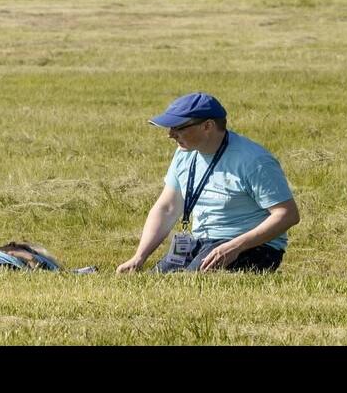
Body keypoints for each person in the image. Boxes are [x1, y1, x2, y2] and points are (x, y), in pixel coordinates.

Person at [116, 92, 300, 274]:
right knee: (156, 281)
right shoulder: (184, 154)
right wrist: (139, 257)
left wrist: (235, 247)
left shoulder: (254, 161)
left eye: (178, 127)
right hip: (199, 242)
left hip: (252, 247)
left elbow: (287, 214)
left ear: (207, 126)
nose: (170, 135)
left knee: (188, 284)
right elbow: (167, 208)